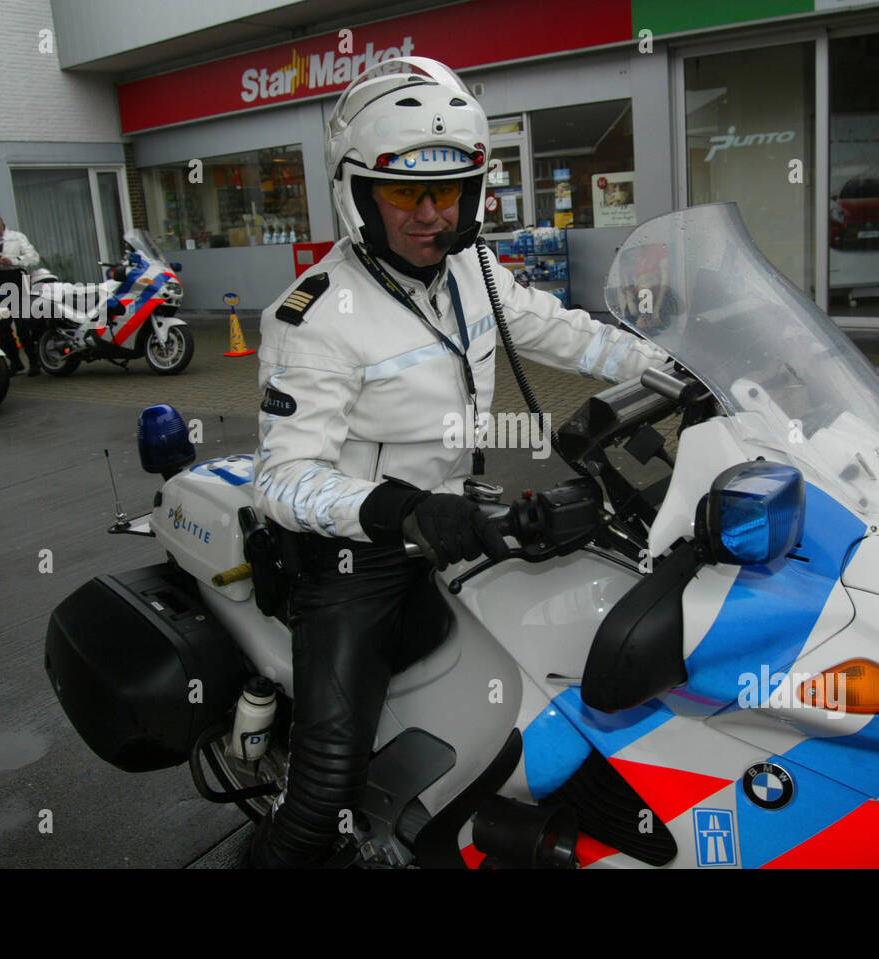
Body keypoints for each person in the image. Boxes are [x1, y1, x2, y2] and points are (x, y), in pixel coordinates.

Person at [248, 57, 670, 868]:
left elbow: (570, 333)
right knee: (325, 785)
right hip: (357, 550)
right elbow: (281, 479)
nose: (430, 214)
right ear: (358, 192)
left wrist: (671, 368)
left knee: (555, 668)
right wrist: (396, 510)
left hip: (457, 520)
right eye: (405, 192)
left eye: (449, 192)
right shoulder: (315, 317)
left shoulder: (472, 274)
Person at [0, 214, 41, 375]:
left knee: (23, 323)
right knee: (2, 325)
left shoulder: (17, 237)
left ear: (3, 225)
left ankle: (34, 362)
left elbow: (33, 258)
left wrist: (14, 260)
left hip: (17, 278)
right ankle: (15, 362)